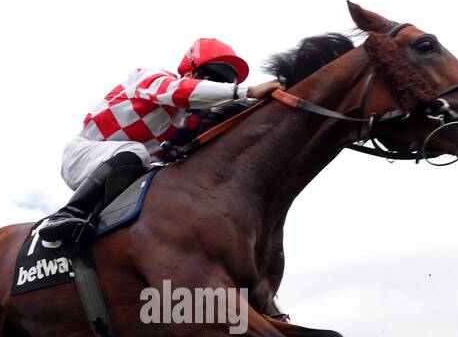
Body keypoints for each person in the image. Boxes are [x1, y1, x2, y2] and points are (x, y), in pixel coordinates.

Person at [36, 38, 283, 243]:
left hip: (125, 175)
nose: (221, 85)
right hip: (83, 156)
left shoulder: (190, 122)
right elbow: (182, 93)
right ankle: (67, 213)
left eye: (228, 82)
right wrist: (246, 91)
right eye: (214, 76)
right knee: (138, 152)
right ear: (189, 71)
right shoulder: (151, 78)